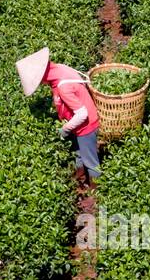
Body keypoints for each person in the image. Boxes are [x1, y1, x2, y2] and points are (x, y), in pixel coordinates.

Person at [17, 47, 102, 186]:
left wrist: (65, 129)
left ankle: (95, 189)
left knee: (90, 162)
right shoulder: (60, 68)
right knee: (79, 154)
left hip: (86, 127)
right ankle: (80, 179)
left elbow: (82, 114)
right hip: (78, 127)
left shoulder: (63, 87)